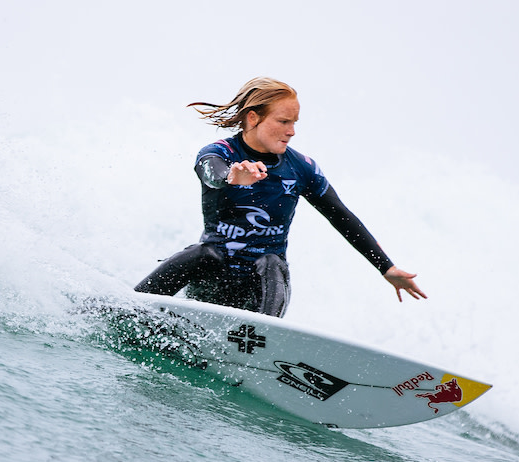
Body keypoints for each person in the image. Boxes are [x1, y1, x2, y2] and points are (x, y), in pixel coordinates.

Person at [134, 77, 426, 317]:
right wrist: (233, 177)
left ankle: (265, 336)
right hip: (210, 283)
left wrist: (385, 267)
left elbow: (341, 216)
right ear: (253, 118)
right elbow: (211, 172)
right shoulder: (220, 153)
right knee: (203, 253)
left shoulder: (302, 168)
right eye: (284, 121)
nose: (292, 131)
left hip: (261, 291)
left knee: (271, 261)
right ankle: (132, 308)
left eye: (295, 122)